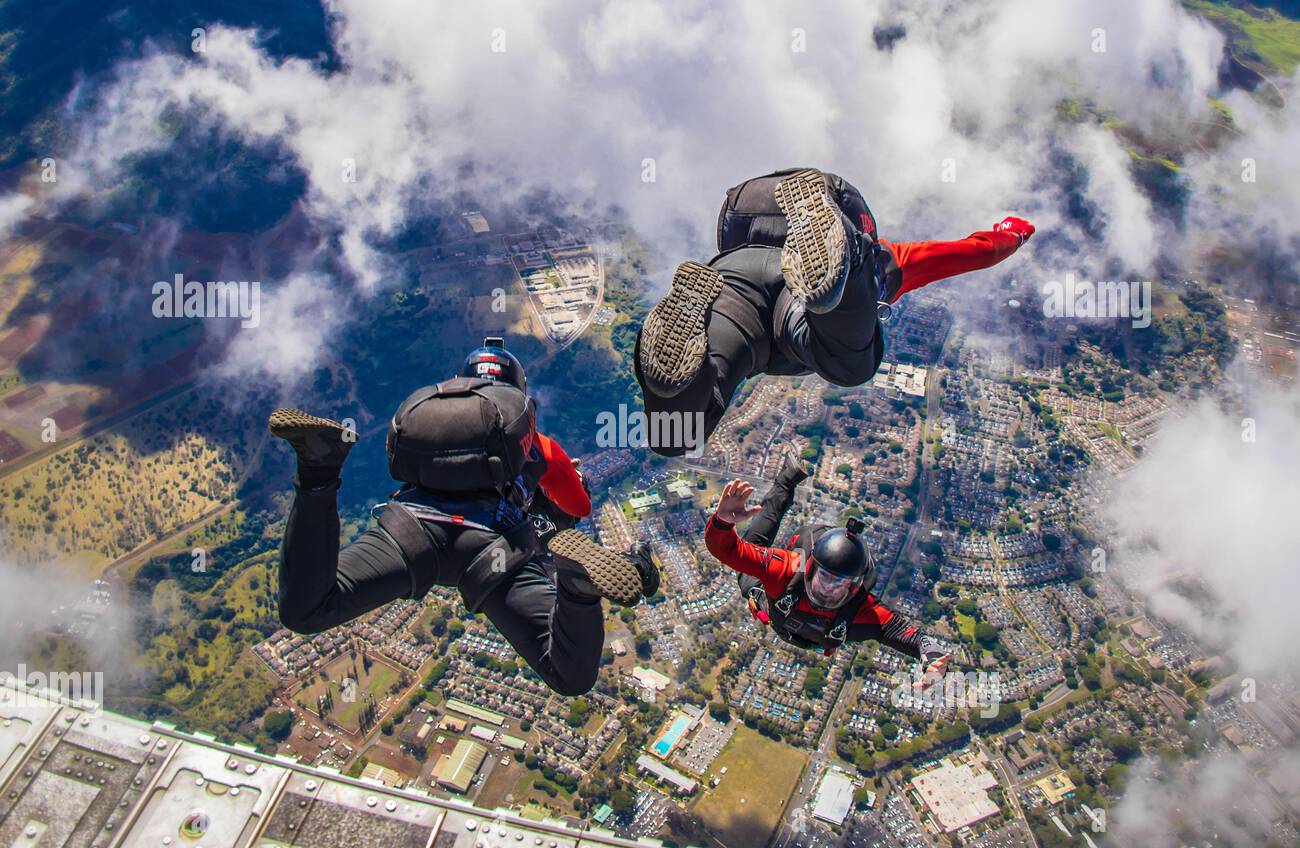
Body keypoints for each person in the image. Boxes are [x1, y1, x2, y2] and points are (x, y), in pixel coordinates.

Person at [270, 337, 659, 697]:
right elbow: (578, 507)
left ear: (459, 384)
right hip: (494, 549)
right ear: (518, 397)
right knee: (569, 675)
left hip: (412, 529)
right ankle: (574, 586)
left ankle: (319, 471)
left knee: (307, 609)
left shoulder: (435, 425)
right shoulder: (539, 446)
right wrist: (563, 483)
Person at [636, 167, 1034, 455]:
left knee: (675, 436)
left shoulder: (738, 244)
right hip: (794, 305)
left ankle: (669, 381)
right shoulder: (892, 260)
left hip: (729, 279)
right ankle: (843, 271)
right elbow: (975, 252)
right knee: (850, 366)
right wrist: (1012, 235)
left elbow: (973, 254)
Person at [705, 452, 950, 686]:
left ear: (855, 587)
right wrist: (723, 522)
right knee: (752, 554)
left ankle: (788, 479)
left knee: (750, 562)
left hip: (788, 621)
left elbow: (912, 637)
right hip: (780, 610)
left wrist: (932, 656)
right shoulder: (786, 570)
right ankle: (786, 480)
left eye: (841, 584)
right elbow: (729, 551)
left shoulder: (860, 609)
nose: (829, 589)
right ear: (809, 568)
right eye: (825, 577)